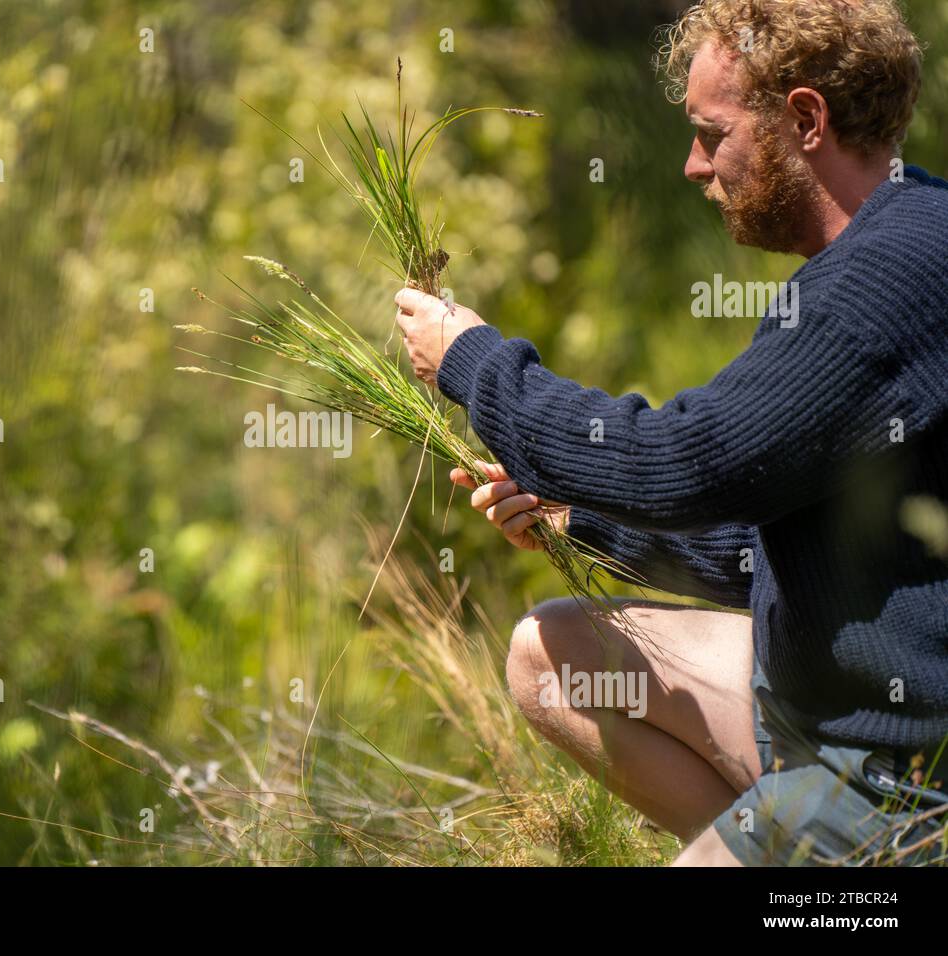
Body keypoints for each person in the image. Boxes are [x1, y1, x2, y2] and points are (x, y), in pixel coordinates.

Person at [393, 0, 948, 865]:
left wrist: (472, 361)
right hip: (816, 707)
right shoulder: (894, 235)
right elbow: (784, 543)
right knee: (554, 656)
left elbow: (686, 463)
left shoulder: (884, 285)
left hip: (897, 774)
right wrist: (583, 521)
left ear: (804, 119)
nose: (693, 165)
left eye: (709, 132)